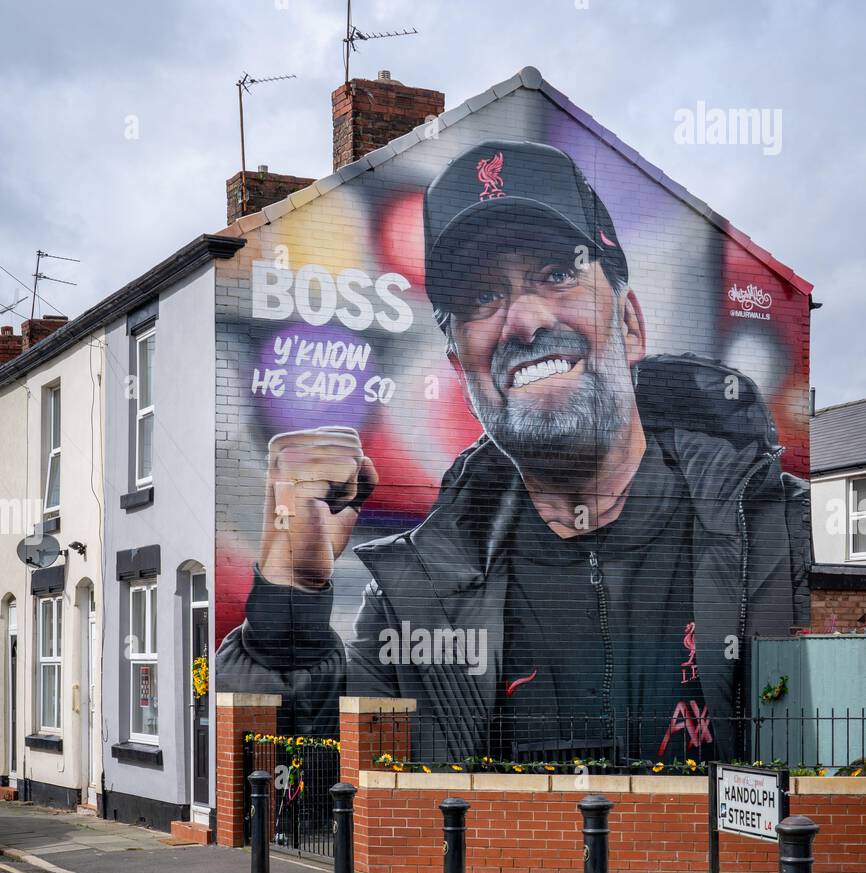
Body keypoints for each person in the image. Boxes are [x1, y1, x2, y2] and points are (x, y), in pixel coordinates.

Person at [216, 140, 810, 763]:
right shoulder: (410, 605)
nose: (522, 321)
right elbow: (306, 809)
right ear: (460, 370)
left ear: (630, 325)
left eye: (557, 274)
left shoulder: (775, 535)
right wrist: (289, 609)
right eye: (480, 298)